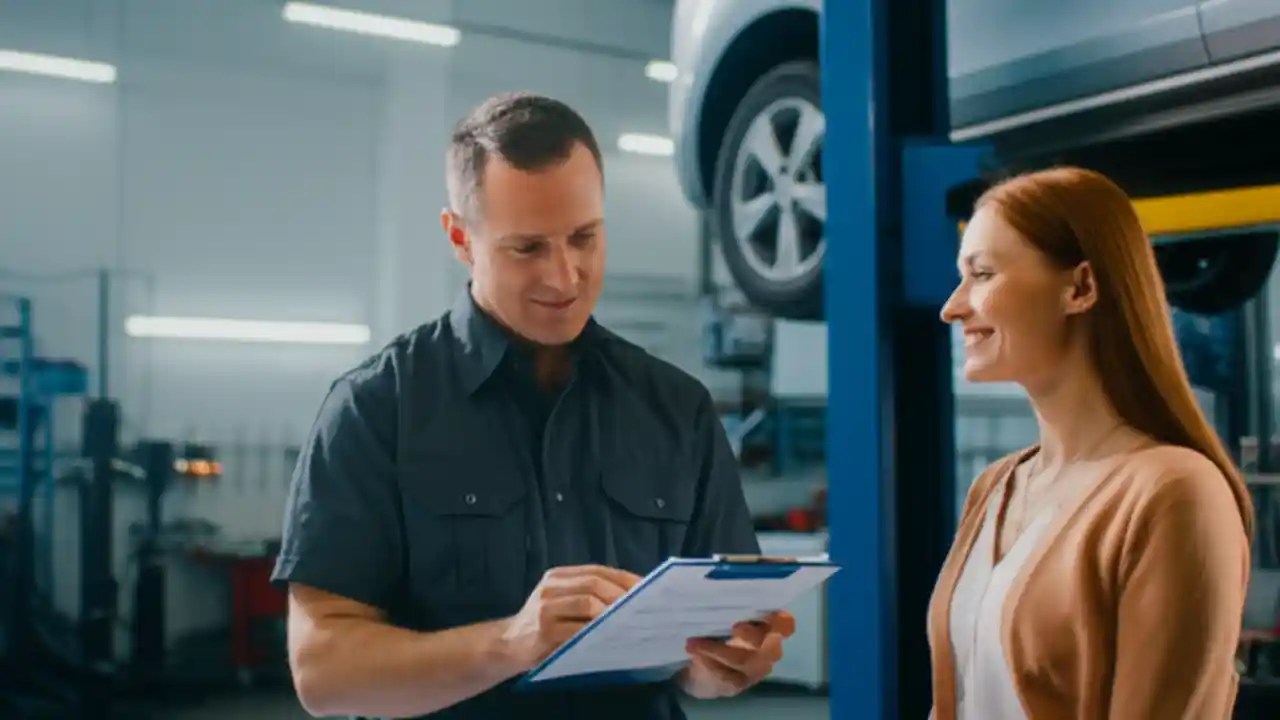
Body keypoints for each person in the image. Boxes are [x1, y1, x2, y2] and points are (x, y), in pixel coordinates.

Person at [271, 92, 795, 720]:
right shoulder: (376, 409)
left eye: (584, 238)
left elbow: (703, 658)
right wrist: (510, 644)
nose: (565, 277)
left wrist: (725, 666)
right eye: (527, 248)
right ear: (461, 238)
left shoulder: (678, 409)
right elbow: (324, 672)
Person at [928, 167, 1254, 719]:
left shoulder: (1175, 492)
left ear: (1079, 287)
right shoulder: (996, 487)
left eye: (982, 274)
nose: (952, 306)